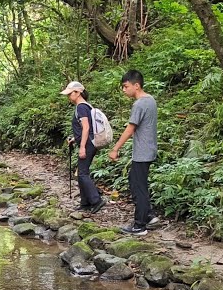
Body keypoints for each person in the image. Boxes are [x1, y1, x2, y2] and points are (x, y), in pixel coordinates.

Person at [108, 69, 159, 235]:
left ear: (136, 86)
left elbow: (130, 129)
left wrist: (115, 149)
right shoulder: (151, 100)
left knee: (139, 187)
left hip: (143, 152)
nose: (124, 90)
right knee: (135, 181)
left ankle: (139, 225)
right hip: (149, 149)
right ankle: (149, 216)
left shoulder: (139, 104)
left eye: (126, 86)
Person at [61, 81, 105, 213]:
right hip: (89, 142)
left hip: (87, 144)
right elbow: (86, 128)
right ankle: (85, 202)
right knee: (81, 172)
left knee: (82, 173)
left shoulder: (81, 107)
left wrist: (82, 147)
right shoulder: (86, 106)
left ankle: (96, 200)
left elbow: (86, 128)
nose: (68, 96)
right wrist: (75, 139)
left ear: (78, 92)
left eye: (70, 93)